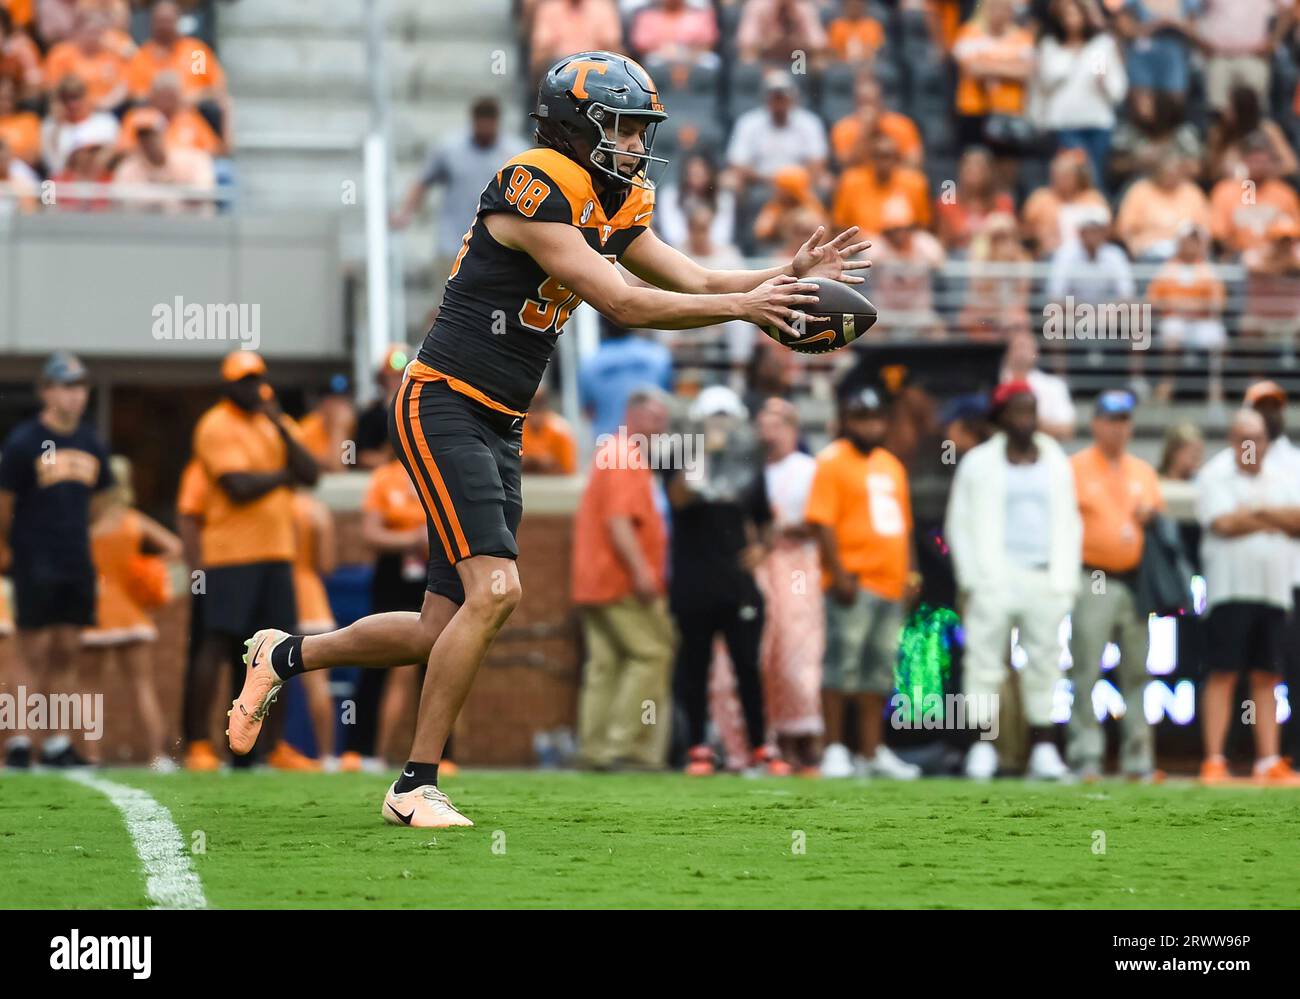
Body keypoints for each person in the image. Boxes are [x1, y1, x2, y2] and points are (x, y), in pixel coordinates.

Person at [224, 51, 871, 828]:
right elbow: (622, 302)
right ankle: (413, 784)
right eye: (622, 127)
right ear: (572, 125)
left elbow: (691, 279)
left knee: (439, 624)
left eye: (640, 129)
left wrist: (778, 275)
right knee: (497, 590)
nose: (634, 144)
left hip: (500, 419)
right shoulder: (535, 182)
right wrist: (749, 309)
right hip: (444, 401)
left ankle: (282, 655)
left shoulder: (614, 195)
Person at [188, 352, 320, 771]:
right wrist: (283, 478)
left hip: (277, 553)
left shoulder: (275, 424)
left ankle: (272, 745)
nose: (253, 387)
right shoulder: (216, 425)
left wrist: (280, 424)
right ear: (228, 386)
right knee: (218, 644)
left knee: (279, 649)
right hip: (230, 555)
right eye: (244, 381)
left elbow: (312, 472)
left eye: (258, 379)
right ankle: (199, 744)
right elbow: (237, 486)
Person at [945, 381, 1082, 780]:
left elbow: (1071, 523)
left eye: (1032, 410)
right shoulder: (978, 462)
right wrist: (972, 581)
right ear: (1001, 416)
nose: (1027, 419)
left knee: (1046, 664)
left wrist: (1066, 582)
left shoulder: (1057, 459)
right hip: (995, 577)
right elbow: (960, 524)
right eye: (1019, 410)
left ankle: (1043, 748)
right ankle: (983, 747)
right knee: (984, 664)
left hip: (1045, 576)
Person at [0, 352, 114, 769]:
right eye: (66, 386)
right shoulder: (24, 442)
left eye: (80, 386)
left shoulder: (90, 442)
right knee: (32, 650)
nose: (75, 395)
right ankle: (18, 740)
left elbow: (101, 501)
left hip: (74, 561)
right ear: (46, 391)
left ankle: (56, 741)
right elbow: (5, 502)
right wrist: (10, 548)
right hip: (34, 560)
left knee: (67, 649)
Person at [668, 386, 786, 776]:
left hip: (736, 582)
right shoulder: (682, 453)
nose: (720, 425)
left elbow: (766, 519)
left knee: (748, 667)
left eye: (726, 418)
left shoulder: (749, 467)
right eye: (713, 418)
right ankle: (698, 747)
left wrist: (762, 551)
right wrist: (706, 451)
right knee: (695, 667)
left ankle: (759, 747)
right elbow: (680, 498)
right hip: (694, 580)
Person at [806, 388, 920, 779]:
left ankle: (872, 752)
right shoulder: (832, 461)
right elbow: (822, 521)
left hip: (890, 582)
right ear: (847, 420)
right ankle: (835, 748)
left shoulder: (891, 464)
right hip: (854, 579)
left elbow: (904, 527)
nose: (869, 425)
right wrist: (837, 573)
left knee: (877, 671)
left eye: (874, 418)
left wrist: (911, 574)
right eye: (860, 418)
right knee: (841, 665)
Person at [1194, 408, 1300, 784]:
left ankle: (1267, 760)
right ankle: (1215, 759)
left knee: (1267, 676)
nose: (1250, 446)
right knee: (1222, 673)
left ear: (1267, 442)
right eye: (1243, 439)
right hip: (1229, 589)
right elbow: (1223, 523)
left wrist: (1254, 511)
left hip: (1274, 592)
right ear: (1232, 440)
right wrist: (1276, 519)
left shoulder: (1284, 475)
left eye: (1257, 439)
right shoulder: (1214, 473)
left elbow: (1297, 521)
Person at [572, 387, 673, 770]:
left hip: (593, 580)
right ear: (635, 415)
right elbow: (619, 524)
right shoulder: (625, 457)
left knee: (605, 664)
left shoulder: (609, 453)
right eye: (656, 418)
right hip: (620, 581)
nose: (662, 426)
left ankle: (595, 748)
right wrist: (643, 572)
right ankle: (626, 746)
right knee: (652, 654)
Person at [1066, 390, 1164, 781]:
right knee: (1086, 668)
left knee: (1138, 672)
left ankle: (1138, 757)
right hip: (1094, 576)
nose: (1118, 427)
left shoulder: (1143, 470)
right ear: (1095, 423)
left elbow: (1159, 518)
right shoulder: (1076, 467)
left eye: (1124, 419)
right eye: (1111, 419)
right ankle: (1085, 754)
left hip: (1135, 580)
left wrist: (1150, 516)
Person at [81, 455, 182, 769]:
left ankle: (90, 756)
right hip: (130, 613)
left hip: (95, 612)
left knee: (89, 690)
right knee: (141, 686)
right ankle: (158, 756)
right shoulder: (132, 520)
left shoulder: (88, 525)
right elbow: (176, 547)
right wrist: (147, 568)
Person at [391, 97, 528, 292]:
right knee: (445, 307)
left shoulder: (515, 153)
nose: (485, 129)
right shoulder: (449, 149)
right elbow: (422, 181)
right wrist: (405, 212)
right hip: (452, 246)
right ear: (473, 121)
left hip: (497, 249)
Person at [752, 397, 824, 772]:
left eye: (775, 421)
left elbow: (819, 522)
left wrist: (778, 528)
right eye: (763, 421)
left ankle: (806, 741)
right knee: (767, 653)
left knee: (800, 654)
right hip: (764, 566)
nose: (767, 429)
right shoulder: (753, 471)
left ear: (792, 427)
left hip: (799, 566)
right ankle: (774, 741)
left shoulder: (808, 469)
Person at [1245, 380, 1300, 769]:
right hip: (1250, 582)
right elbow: (1223, 518)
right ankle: (1254, 755)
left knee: (1293, 670)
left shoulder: (1294, 460)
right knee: (1249, 670)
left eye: (1275, 407)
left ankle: (1293, 755)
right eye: (1261, 407)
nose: (1270, 413)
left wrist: (1256, 515)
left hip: (1293, 579)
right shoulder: (1237, 459)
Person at [291, 488, 338, 770]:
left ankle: (259, 753)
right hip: (311, 597)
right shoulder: (316, 509)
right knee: (318, 683)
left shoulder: (271, 505)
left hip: (276, 596)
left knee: (259, 678)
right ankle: (327, 756)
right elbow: (327, 564)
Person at [1000, 329, 1077, 441]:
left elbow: (1067, 430)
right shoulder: (996, 384)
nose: (1021, 352)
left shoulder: (1054, 386)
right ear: (1006, 352)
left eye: (1026, 347)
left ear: (1036, 353)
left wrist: (1026, 423)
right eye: (1017, 347)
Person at [521, 383, 577, 474]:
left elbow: (568, 471)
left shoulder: (561, 431)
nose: (535, 414)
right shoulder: (518, 430)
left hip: (555, 485)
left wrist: (550, 464)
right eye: (532, 407)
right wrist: (530, 461)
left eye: (539, 406)